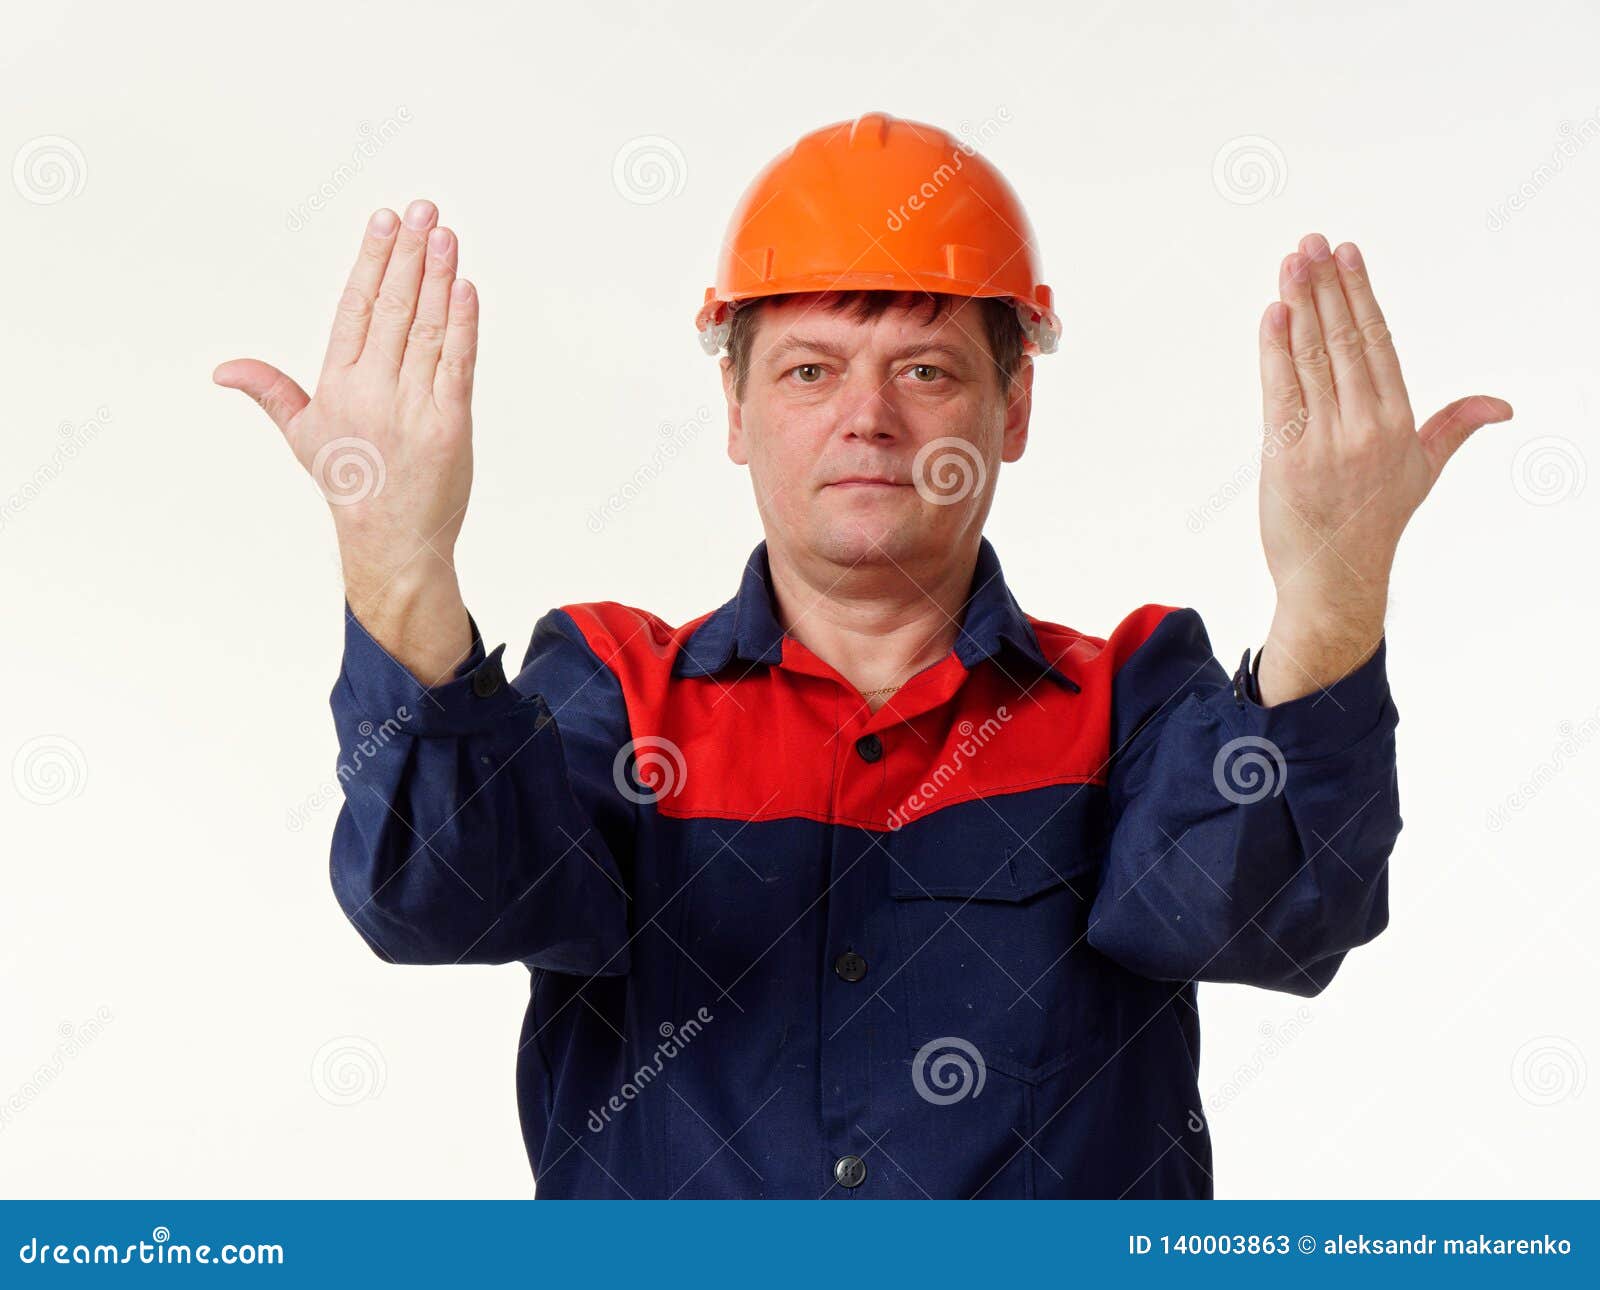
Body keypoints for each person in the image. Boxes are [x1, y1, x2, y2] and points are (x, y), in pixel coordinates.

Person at [213, 112, 1512, 1198]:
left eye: (930, 369)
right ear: (734, 409)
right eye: (810, 369)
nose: (870, 418)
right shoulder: (613, 691)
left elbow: (1270, 914)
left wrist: (1332, 593)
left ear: (1014, 408)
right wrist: (401, 573)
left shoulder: (1126, 699)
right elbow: (439, 902)